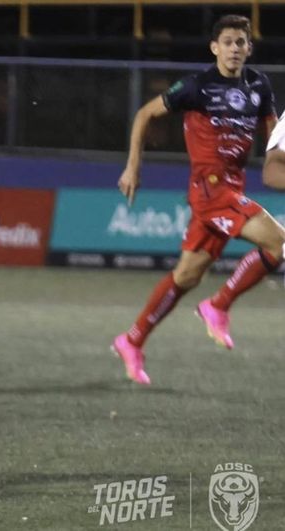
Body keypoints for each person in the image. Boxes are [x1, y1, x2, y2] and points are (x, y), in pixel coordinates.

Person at [112, 14, 282, 385]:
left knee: (186, 275)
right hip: (210, 189)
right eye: (228, 42)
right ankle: (218, 305)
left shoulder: (260, 87)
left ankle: (131, 339)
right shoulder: (196, 87)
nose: (235, 48)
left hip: (232, 188)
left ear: (249, 48)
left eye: (241, 42)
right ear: (214, 47)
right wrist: (133, 166)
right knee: (278, 242)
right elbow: (145, 114)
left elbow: (274, 147)